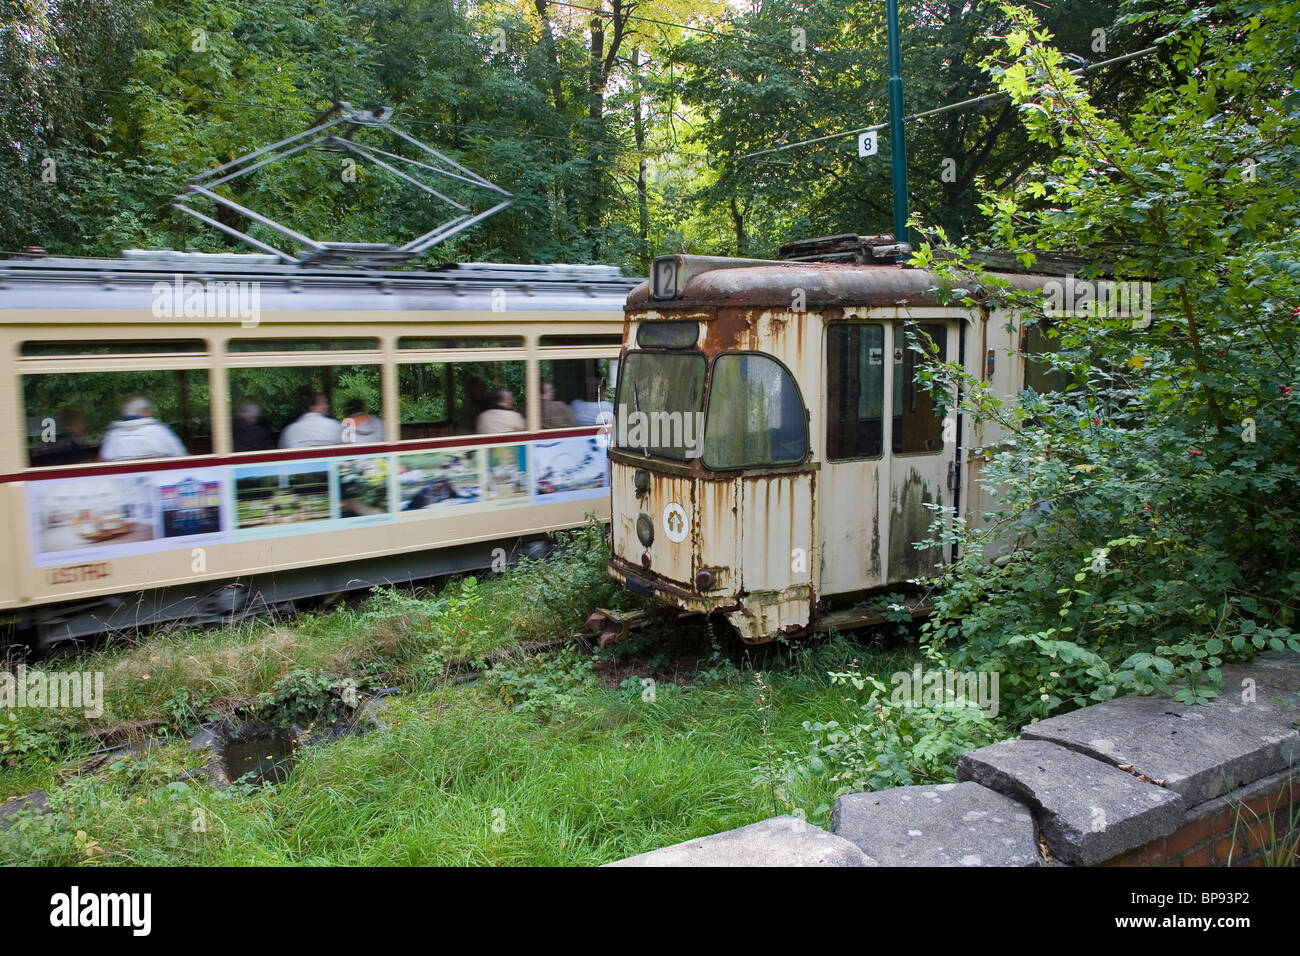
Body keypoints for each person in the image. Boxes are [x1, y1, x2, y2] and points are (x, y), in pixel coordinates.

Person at [99, 396, 188, 461]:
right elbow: (181, 455)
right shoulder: (159, 432)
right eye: (148, 409)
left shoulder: (112, 435)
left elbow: (103, 461)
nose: (151, 412)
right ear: (143, 412)